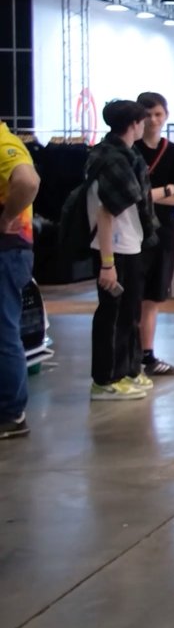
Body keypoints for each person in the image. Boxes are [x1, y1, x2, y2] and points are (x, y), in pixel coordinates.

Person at [88, 99, 160, 403]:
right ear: (133, 125)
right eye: (143, 120)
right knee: (113, 315)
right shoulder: (112, 161)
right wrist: (107, 264)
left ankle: (128, 370)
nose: (147, 125)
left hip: (130, 245)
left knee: (129, 312)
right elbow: (106, 214)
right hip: (113, 248)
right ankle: (106, 379)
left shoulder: (126, 157)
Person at [135, 93, 174, 375]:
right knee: (132, 296)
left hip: (163, 233)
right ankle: (131, 357)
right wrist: (165, 190)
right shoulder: (130, 151)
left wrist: (150, 196)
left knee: (153, 298)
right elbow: (131, 197)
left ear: (166, 115)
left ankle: (147, 356)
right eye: (147, 115)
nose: (153, 120)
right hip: (132, 235)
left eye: (158, 114)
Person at [0, 121, 39, 438]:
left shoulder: (3, 143)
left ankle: (10, 414)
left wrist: (6, 218)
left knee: (3, 331)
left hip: (7, 251)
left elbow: (27, 181)